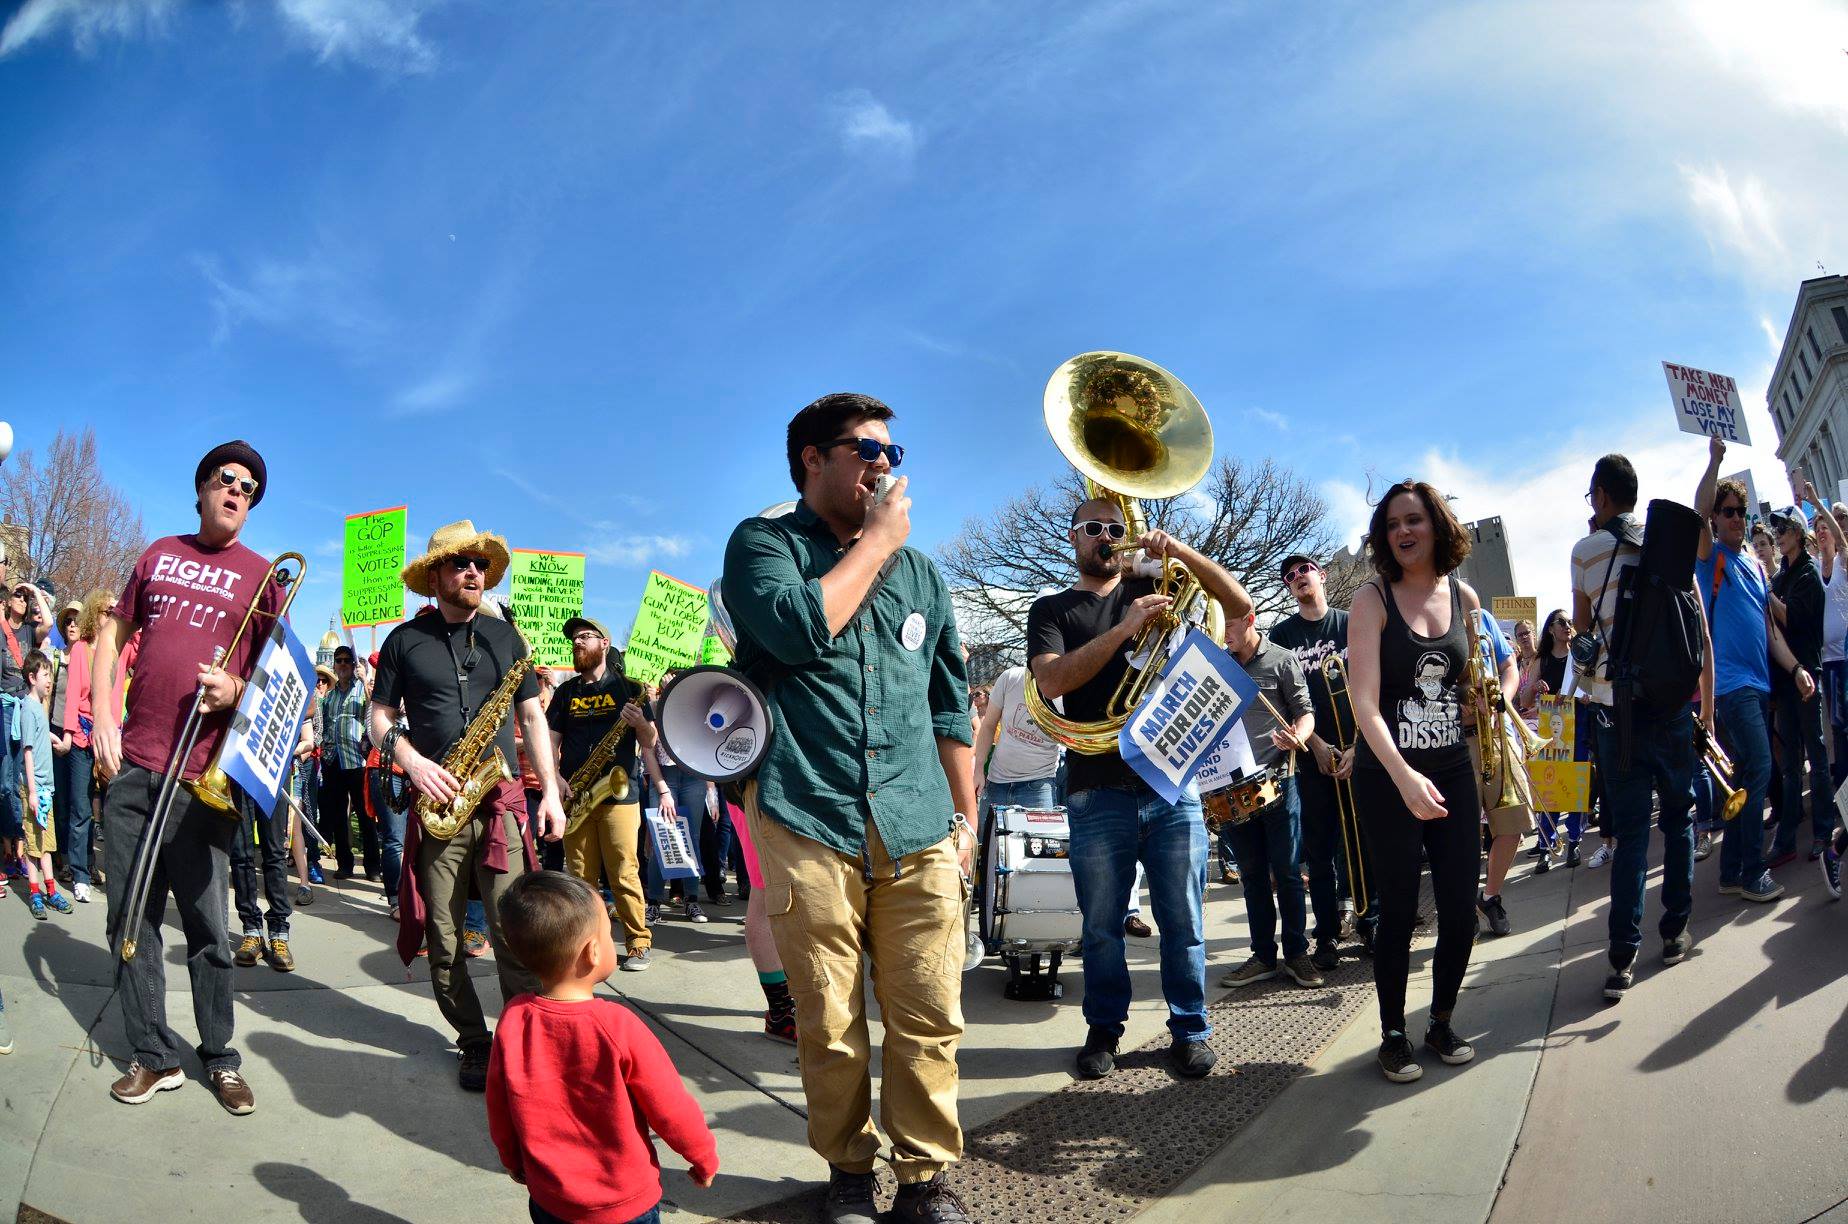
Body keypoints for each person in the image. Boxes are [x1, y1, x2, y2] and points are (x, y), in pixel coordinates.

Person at [724, 392, 976, 1224]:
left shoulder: (923, 574)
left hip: (919, 820)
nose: (885, 467)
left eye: (893, 454)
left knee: (929, 1012)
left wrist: (968, 821)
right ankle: (848, 1172)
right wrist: (876, 543)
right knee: (829, 1019)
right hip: (808, 813)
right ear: (813, 459)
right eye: (868, 450)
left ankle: (925, 1180)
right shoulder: (763, 545)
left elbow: (949, 706)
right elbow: (799, 628)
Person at [1027, 493, 1254, 1085]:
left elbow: (1239, 606)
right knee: (1102, 926)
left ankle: (1191, 1029)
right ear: (1073, 537)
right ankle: (1104, 1029)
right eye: (1093, 527)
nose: (1106, 536)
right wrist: (1126, 628)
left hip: (1172, 783)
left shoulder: (1156, 586)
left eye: (1115, 527)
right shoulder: (1052, 609)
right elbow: (1052, 680)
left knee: (1184, 919)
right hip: (1095, 787)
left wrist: (1179, 551)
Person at [92, 440, 282, 1114]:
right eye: (227, 479)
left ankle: (220, 1057)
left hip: (203, 780)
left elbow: (283, 685)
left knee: (208, 930)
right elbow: (112, 635)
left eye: (249, 489)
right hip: (136, 768)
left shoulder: (264, 576)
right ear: (201, 487)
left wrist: (237, 690)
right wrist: (103, 718)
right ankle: (153, 1055)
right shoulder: (157, 554)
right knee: (129, 919)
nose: (237, 491)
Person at [370, 520, 566, 1092]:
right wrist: (412, 762)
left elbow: (531, 717)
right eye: (460, 563)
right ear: (435, 577)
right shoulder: (404, 641)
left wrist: (551, 792)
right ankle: (474, 1041)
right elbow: (379, 717)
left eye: (480, 563)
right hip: (439, 809)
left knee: (515, 932)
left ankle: (522, 1039)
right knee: (445, 939)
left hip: (500, 803)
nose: (474, 572)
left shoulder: (508, 639)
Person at [1347, 479, 1484, 1084]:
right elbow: (1364, 704)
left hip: (1453, 770)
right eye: (1393, 523)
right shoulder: (1371, 599)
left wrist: (1489, 700)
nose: (1403, 531)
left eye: (1414, 520)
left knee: (1461, 912)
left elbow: (1477, 683)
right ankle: (1393, 1034)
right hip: (1386, 776)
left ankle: (1441, 1020)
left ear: (1437, 526)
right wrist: (1404, 778)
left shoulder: (1466, 597)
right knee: (1399, 913)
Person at [487, 871, 718, 1224]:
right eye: (609, 935)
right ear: (593, 952)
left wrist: (511, 1157)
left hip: (550, 1198)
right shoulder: (618, 1025)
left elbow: (500, 1102)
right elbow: (670, 1104)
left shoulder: (514, 1018)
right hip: (624, 1202)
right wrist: (702, 1155)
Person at [1573, 453, 1711, 1000]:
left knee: (1630, 834)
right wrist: (1704, 707)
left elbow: (1582, 638)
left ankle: (1621, 958)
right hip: (1672, 706)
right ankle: (1674, 932)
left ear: (1602, 495)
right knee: (1679, 818)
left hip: (1617, 713)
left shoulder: (1585, 552)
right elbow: (1698, 629)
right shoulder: (1665, 542)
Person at [1695, 438, 1812, 904]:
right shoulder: (1711, 556)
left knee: (1746, 775)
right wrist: (1714, 461)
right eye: (1728, 512)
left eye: (1741, 512)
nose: (1736, 518)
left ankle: (1730, 872)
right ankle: (1751, 870)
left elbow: (1769, 630)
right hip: (1731, 685)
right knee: (1762, 765)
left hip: (1759, 683)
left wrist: (1796, 667)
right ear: (1716, 517)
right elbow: (1696, 512)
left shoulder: (1755, 566)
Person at [1214, 608, 1322, 988]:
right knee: (1252, 875)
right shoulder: (1218, 665)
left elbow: (1306, 712)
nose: (1223, 633)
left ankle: (1296, 954)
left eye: (1228, 624)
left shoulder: (1282, 659)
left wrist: (1299, 736)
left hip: (1279, 779)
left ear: (1249, 619)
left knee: (1288, 872)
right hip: (1233, 788)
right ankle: (1263, 956)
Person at [548, 616, 657, 967]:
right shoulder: (566, 692)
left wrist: (640, 722)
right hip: (575, 795)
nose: (577, 642)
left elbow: (650, 741)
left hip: (619, 796)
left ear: (604, 643)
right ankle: (589, 943)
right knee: (580, 878)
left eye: (585, 636)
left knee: (624, 871)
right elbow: (550, 741)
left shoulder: (630, 688)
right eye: (575, 638)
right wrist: (554, 777)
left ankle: (638, 941)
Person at [1767, 482, 1838, 865]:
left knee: (1817, 755)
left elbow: (1791, 618)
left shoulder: (1808, 574)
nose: (1777, 534)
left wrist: (1765, 593)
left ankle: (1823, 832)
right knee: (1790, 764)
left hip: (1807, 675)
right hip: (1784, 681)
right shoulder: (1780, 577)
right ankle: (1788, 838)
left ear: (1797, 533)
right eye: (1775, 529)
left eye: (1783, 528)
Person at [1467, 605, 1535, 939]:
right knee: (1461, 834)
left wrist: (1499, 702)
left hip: (1497, 734)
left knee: (1514, 822)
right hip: (1455, 740)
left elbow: (1508, 667)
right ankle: (1464, 906)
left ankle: (1490, 896)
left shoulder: (1480, 617)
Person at [54, 590, 110, 902]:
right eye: (106, 611)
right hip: (81, 738)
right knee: (79, 808)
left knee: (106, 811)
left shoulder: (115, 649)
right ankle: (79, 874)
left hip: (107, 739)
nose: (111, 616)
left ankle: (92, 864)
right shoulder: (80, 650)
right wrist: (68, 734)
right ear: (95, 614)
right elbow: (73, 694)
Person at [1522, 609, 1588, 869]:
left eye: (1570, 621)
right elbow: (1525, 700)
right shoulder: (1543, 660)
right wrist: (1534, 687)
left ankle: (1574, 841)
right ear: (1550, 629)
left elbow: (1590, 690)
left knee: (1576, 782)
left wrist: (1584, 695)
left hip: (1578, 725)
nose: (1567, 626)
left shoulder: (1580, 654)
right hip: (1551, 732)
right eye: (1562, 622)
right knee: (1550, 785)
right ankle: (1546, 846)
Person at [18, 651, 73, 920]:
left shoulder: (39, 706)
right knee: (33, 846)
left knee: (46, 843)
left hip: (45, 789)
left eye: (51, 674)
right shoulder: (28, 708)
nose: (49, 680)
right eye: (45, 675)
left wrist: (52, 737)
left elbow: (39, 734)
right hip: (35, 788)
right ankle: (35, 893)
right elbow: (27, 751)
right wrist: (31, 792)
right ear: (32, 678)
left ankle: (51, 891)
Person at [320, 643, 377, 883]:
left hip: (356, 761)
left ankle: (373, 866)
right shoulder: (330, 696)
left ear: (354, 665)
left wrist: (364, 680)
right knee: (338, 816)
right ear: (334, 665)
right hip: (333, 761)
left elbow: (375, 711)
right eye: (339, 660)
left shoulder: (361, 689)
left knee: (365, 815)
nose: (342, 664)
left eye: (347, 660)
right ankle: (345, 863)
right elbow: (324, 725)